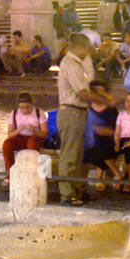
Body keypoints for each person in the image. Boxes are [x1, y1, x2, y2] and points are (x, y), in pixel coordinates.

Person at [56, 34, 96, 205]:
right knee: (69, 154)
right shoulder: (70, 64)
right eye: (87, 48)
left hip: (79, 112)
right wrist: (106, 100)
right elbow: (81, 92)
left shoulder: (79, 62)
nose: (89, 52)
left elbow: (90, 80)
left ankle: (77, 189)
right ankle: (67, 192)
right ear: (79, 47)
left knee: (78, 154)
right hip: (71, 111)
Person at [1, 92, 48, 187]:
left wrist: (35, 131)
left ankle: (30, 173)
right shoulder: (14, 113)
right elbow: (9, 135)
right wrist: (18, 130)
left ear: (32, 105)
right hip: (20, 137)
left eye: (27, 107)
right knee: (7, 144)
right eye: (22, 108)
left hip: (34, 137)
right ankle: (9, 174)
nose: (25, 110)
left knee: (32, 144)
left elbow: (45, 133)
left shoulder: (39, 113)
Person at [82, 81, 122, 192]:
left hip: (110, 140)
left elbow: (116, 130)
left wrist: (106, 131)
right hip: (91, 141)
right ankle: (116, 173)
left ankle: (100, 177)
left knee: (101, 143)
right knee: (95, 143)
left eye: (102, 91)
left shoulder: (111, 110)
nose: (99, 94)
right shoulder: (86, 109)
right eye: (96, 92)